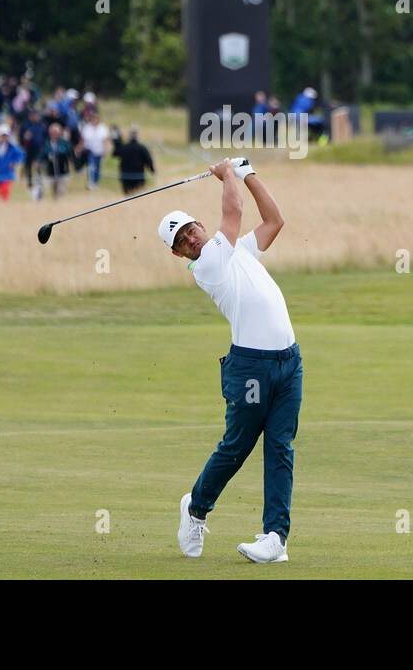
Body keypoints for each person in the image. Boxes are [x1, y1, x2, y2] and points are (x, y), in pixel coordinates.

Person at [163, 157, 300, 564]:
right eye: (181, 240)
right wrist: (226, 174)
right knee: (237, 446)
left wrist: (247, 172)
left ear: (200, 225)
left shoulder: (238, 251)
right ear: (178, 254)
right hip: (251, 368)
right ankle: (196, 508)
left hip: (289, 363)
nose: (190, 239)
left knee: (280, 447)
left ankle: (275, 537)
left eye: (190, 229)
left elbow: (274, 221)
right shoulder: (207, 265)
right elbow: (234, 212)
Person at [0, 125, 26, 202]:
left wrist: (15, 163)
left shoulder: (13, 147)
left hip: (8, 172)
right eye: (2, 136)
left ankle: (5, 202)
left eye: (6, 136)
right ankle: (3, 202)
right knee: (1, 189)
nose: (4, 138)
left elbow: (21, 155)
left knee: (5, 188)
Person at [111, 125, 154, 194]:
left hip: (126, 176)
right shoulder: (142, 148)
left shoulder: (124, 147)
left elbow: (115, 153)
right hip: (138, 176)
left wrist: (117, 140)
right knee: (138, 195)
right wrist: (152, 170)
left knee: (128, 196)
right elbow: (148, 160)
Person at [40, 122, 73, 199]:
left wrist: (58, 154)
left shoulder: (65, 143)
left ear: (60, 133)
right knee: (51, 191)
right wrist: (43, 159)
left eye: (56, 132)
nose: (54, 134)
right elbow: (42, 154)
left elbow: (69, 153)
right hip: (50, 171)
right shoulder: (46, 143)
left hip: (63, 172)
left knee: (60, 192)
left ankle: (59, 203)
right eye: (52, 132)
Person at [81, 110, 109, 190]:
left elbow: (105, 140)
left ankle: (96, 182)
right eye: (93, 119)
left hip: (100, 151)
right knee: (91, 166)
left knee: (97, 167)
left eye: (96, 119)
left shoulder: (103, 128)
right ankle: (91, 182)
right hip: (90, 150)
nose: (94, 120)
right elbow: (83, 139)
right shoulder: (87, 128)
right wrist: (79, 148)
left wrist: (105, 150)